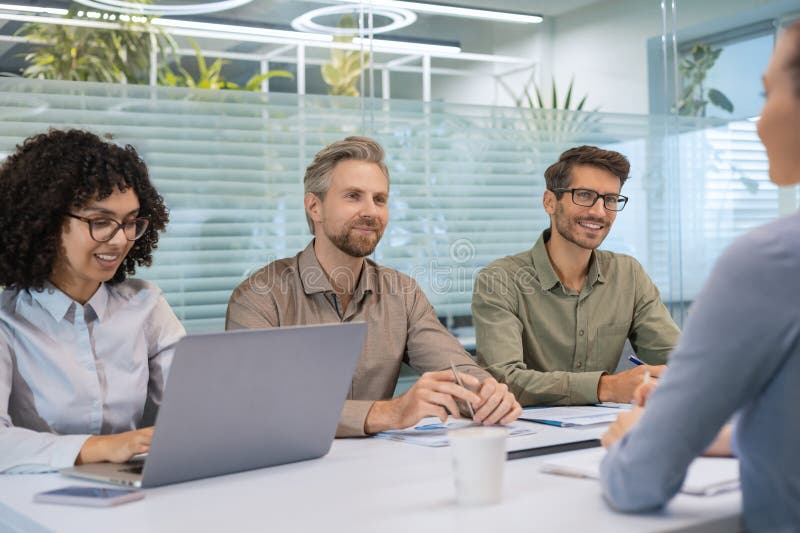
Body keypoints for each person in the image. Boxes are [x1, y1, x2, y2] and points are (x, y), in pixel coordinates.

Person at [600, 21, 800, 531]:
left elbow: (638, 480)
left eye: (767, 94)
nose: (757, 121)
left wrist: (653, 430)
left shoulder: (771, 259)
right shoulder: (504, 279)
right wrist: (712, 425)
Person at [226, 136, 522, 437]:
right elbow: (257, 404)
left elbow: (456, 370)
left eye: (379, 199)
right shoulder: (258, 298)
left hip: (379, 470)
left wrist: (487, 394)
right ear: (314, 207)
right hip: (286, 471)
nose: (371, 211)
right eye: (353, 196)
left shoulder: (402, 293)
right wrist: (388, 412)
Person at [0, 129, 185, 473]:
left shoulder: (146, 304)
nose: (119, 240)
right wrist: (101, 448)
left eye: (131, 222)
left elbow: (195, 403)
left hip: (132, 495)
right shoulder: (7, 322)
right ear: (45, 222)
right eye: (101, 222)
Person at [472, 146, 680, 406]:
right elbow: (502, 380)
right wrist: (606, 386)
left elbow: (675, 358)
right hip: (525, 436)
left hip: (603, 432)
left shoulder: (629, 274)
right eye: (584, 195)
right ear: (550, 202)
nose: (599, 212)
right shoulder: (500, 279)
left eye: (611, 199)